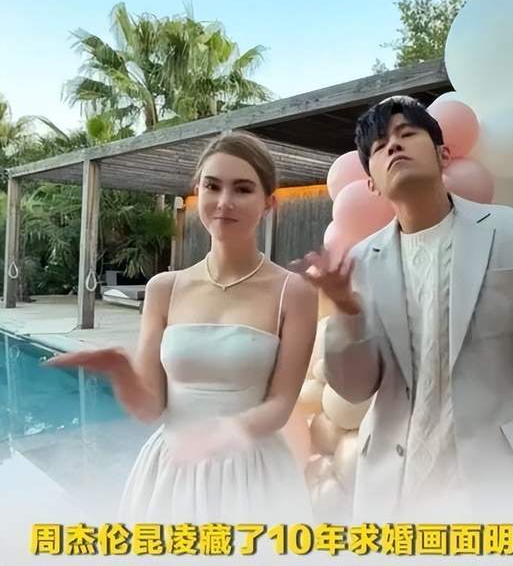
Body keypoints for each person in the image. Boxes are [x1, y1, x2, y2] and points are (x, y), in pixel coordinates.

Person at [292, 95, 513, 522]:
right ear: (372, 185)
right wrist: (347, 311)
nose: (394, 145)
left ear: (443, 155)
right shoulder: (360, 261)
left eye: (406, 134)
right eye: (380, 146)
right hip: (396, 491)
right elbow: (353, 387)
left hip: (504, 480)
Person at [48, 130, 317, 525]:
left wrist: (222, 435)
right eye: (213, 186)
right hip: (172, 471)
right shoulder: (164, 289)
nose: (224, 201)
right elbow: (151, 408)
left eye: (243, 189)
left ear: (268, 203)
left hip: (251, 473)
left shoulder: (293, 292)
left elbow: (280, 405)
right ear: (198, 191)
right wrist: (119, 367)